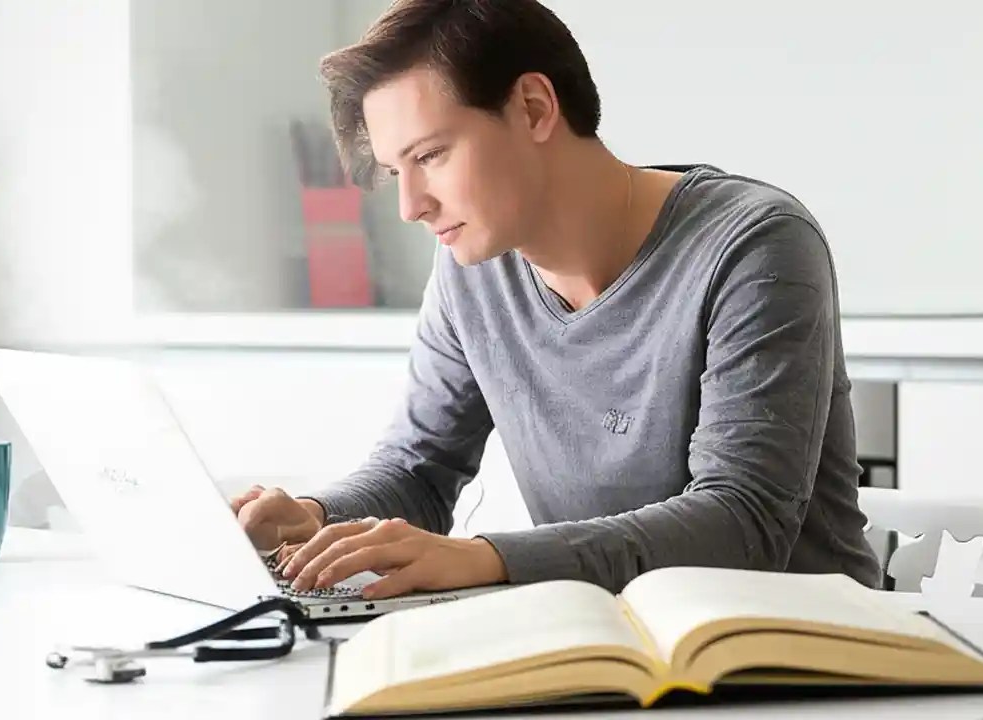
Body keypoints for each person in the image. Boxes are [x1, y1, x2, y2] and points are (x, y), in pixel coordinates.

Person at [231, 0, 881, 601]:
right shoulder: (472, 267)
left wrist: (486, 557)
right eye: (399, 172)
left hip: (802, 657)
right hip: (607, 651)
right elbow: (418, 470)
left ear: (535, 108)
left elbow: (743, 521)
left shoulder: (754, 242)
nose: (410, 206)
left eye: (430, 155)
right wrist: (314, 516)